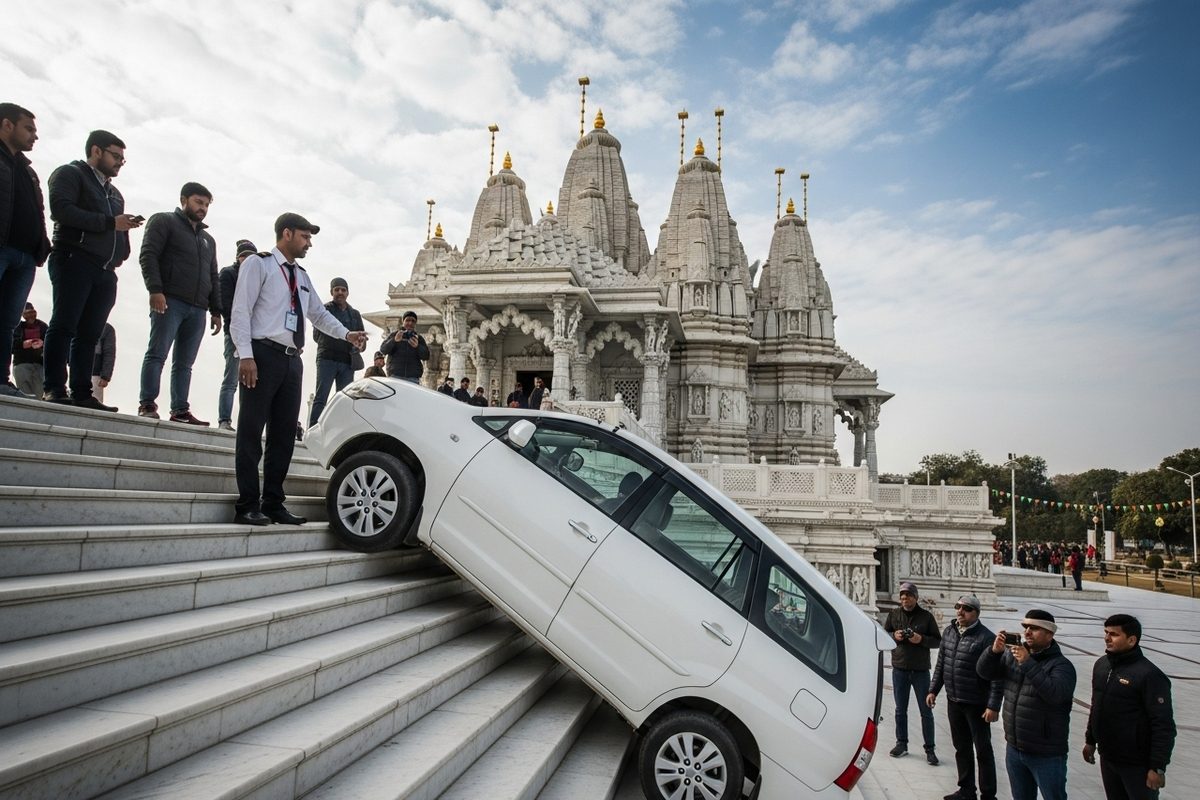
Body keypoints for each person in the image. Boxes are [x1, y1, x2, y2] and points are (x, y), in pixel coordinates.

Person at [228, 212, 366, 526]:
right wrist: (245, 356)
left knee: (284, 435)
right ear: (287, 234)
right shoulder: (259, 265)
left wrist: (347, 334)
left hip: (292, 360)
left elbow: (318, 314)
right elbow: (240, 312)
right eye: (305, 237)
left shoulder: (301, 276)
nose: (309, 243)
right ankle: (248, 504)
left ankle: (273, 502)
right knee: (251, 430)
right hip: (262, 354)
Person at [43, 129, 142, 410]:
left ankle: (82, 393)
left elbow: (116, 225)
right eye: (115, 156)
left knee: (90, 333)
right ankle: (53, 387)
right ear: (96, 151)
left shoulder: (114, 193)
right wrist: (111, 223)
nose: (120, 162)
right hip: (75, 258)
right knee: (64, 325)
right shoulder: (70, 174)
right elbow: (61, 210)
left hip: (105, 269)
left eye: (123, 158)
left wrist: (121, 248)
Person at [137, 182, 221, 424]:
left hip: (198, 308)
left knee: (185, 363)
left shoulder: (208, 240)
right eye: (198, 202)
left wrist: (216, 310)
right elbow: (149, 255)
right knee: (157, 353)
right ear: (184, 200)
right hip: (170, 300)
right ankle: (147, 403)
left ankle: (180, 410)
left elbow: (212, 275)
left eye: (206, 204)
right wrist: (155, 290)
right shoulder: (163, 221)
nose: (202, 208)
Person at [977, 609, 1076, 800]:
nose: (1027, 632)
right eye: (1026, 627)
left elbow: (1054, 695)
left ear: (1050, 634)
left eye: (1035, 628)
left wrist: (1028, 663)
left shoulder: (1062, 666)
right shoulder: (1012, 656)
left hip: (1045, 753)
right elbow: (985, 673)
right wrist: (993, 652)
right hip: (1015, 747)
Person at [1083, 614, 1175, 800]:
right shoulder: (1102, 665)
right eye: (1106, 632)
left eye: (1114, 634)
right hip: (1108, 757)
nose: (1107, 638)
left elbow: (1163, 725)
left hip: (1137, 764)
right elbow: (1097, 705)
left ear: (1132, 640)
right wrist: (1091, 740)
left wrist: (1157, 767)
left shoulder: (1149, 675)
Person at [926, 595, 1003, 800]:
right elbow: (942, 664)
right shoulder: (950, 632)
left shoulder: (986, 638)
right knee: (961, 747)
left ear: (976, 613)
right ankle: (967, 789)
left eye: (966, 609)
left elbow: (996, 675)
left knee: (983, 749)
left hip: (976, 702)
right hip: (955, 700)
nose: (960, 612)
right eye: (958, 607)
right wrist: (933, 689)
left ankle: (988, 794)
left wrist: (993, 705)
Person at [0, 103, 52, 398]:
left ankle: (1, 379)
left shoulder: (27, 170)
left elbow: (38, 211)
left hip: (24, 256)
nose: (34, 136)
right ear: (7, 125)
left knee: (7, 322)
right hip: (2, 248)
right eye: (28, 129)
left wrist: (40, 246)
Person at [883, 581, 941, 764]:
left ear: (915, 597)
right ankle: (902, 743)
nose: (904, 599)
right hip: (900, 668)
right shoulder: (894, 615)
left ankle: (930, 749)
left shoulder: (926, 617)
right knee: (900, 709)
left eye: (908, 596)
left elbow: (937, 641)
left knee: (926, 711)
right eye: (902, 596)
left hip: (920, 670)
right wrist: (895, 637)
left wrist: (920, 639)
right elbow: (885, 636)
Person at [308, 276, 364, 427]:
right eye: (337, 289)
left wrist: (360, 344)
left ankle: (340, 431)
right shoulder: (324, 311)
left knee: (344, 400)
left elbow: (361, 341)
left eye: (343, 290)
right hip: (327, 360)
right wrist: (339, 336)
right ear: (331, 291)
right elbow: (317, 336)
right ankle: (313, 430)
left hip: (347, 362)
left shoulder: (355, 314)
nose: (340, 292)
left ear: (347, 292)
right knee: (321, 397)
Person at [217, 239, 257, 431]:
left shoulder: (257, 277)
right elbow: (226, 305)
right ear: (238, 257)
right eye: (245, 256)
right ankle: (224, 419)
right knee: (231, 379)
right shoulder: (228, 274)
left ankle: (246, 424)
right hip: (234, 334)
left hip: (255, 336)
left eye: (252, 257)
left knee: (250, 383)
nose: (248, 260)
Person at [379, 310, 428, 382]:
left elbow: (426, 356)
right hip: (395, 376)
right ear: (403, 322)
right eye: (407, 320)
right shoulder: (394, 335)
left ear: (415, 324)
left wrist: (417, 347)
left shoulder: (418, 338)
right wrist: (394, 340)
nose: (410, 323)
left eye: (413, 321)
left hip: (413, 377)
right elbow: (383, 350)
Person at [11, 302, 47, 397]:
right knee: (25, 396)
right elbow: (10, 345)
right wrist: (23, 344)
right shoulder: (16, 327)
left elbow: (51, 344)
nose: (30, 316)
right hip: (21, 365)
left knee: (38, 396)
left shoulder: (43, 326)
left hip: (39, 365)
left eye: (32, 312)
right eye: (27, 313)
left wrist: (42, 344)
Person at [91, 322, 115, 404]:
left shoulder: (107, 328)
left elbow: (109, 353)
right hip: (76, 374)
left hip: (95, 375)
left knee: (94, 406)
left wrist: (105, 376)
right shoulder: (78, 322)